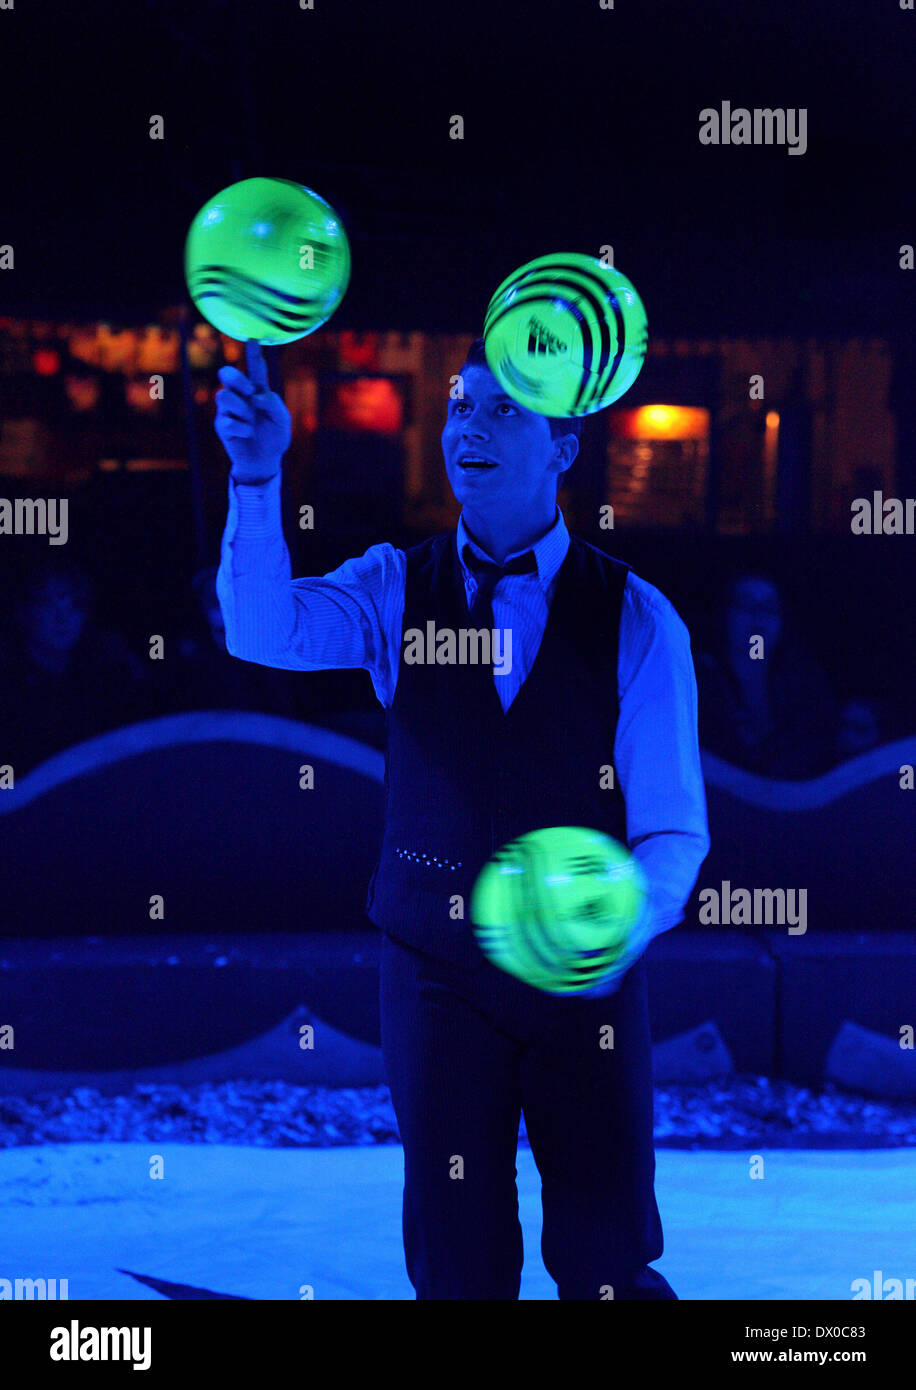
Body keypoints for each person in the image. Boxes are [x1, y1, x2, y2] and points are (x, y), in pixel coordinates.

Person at [215, 338, 710, 1300]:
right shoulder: (392, 586)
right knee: (457, 1260)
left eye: (502, 411)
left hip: (584, 982)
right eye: (458, 407)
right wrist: (256, 474)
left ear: (565, 448)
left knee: (606, 1257)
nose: (467, 429)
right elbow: (258, 629)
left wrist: (617, 922)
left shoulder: (640, 617)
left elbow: (672, 831)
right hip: (434, 975)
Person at [695, 572, 838, 779]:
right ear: (725, 615)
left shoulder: (806, 685)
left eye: (769, 608)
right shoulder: (695, 681)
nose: (758, 615)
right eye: (745, 605)